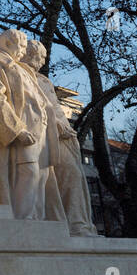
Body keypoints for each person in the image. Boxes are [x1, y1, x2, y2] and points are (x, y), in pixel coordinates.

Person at [21, 41, 95, 235]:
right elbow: (31, 105)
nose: (42, 61)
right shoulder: (21, 75)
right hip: (43, 134)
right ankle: (74, 225)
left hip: (63, 135)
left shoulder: (44, 80)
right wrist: (55, 123)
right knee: (61, 177)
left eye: (44, 57)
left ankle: (77, 223)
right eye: (40, 56)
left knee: (73, 175)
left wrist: (64, 126)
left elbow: (53, 106)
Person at [0, 29, 42, 218]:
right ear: (6, 44)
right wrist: (16, 129)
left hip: (27, 133)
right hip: (5, 134)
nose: (23, 52)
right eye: (20, 47)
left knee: (29, 175)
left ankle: (25, 222)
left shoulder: (19, 68)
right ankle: (17, 225)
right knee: (7, 184)